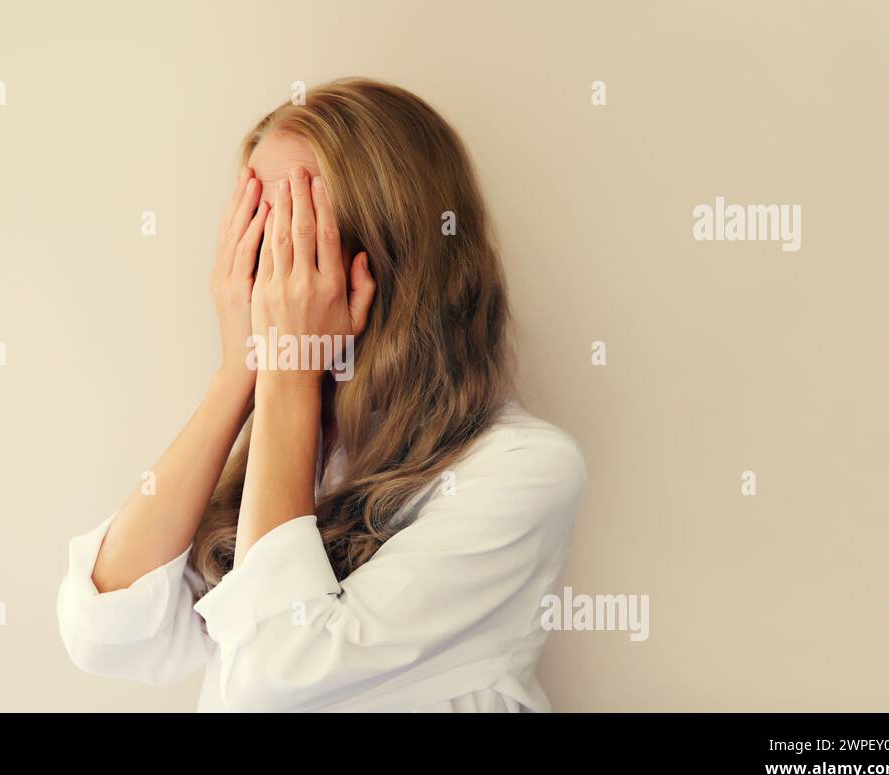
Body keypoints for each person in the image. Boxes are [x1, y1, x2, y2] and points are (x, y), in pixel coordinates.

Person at [57, 78, 587, 712]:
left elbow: (279, 671)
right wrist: (238, 375)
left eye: (299, 232)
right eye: (254, 226)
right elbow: (107, 632)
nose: (269, 264)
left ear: (391, 255)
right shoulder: (300, 450)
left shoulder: (522, 469)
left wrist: (288, 367)